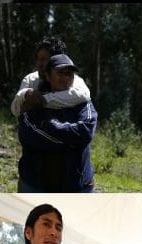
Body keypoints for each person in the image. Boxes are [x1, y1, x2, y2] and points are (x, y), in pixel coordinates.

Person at [17, 53, 97, 192]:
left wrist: (49, 126)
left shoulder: (83, 103)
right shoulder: (35, 101)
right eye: (60, 73)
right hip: (35, 185)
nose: (65, 78)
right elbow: (28, 135)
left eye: (69, 74)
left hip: (77, 186)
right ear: (48, 76)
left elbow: (86, 132)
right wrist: (72, 143)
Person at [10, 36, 91, 118]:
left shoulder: (72, 79)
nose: (39, 64)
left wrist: (43, 100)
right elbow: (16, 110)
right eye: (38, 59)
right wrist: (25, 94)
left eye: (44, 59)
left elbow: (83, 95)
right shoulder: (30, 79)